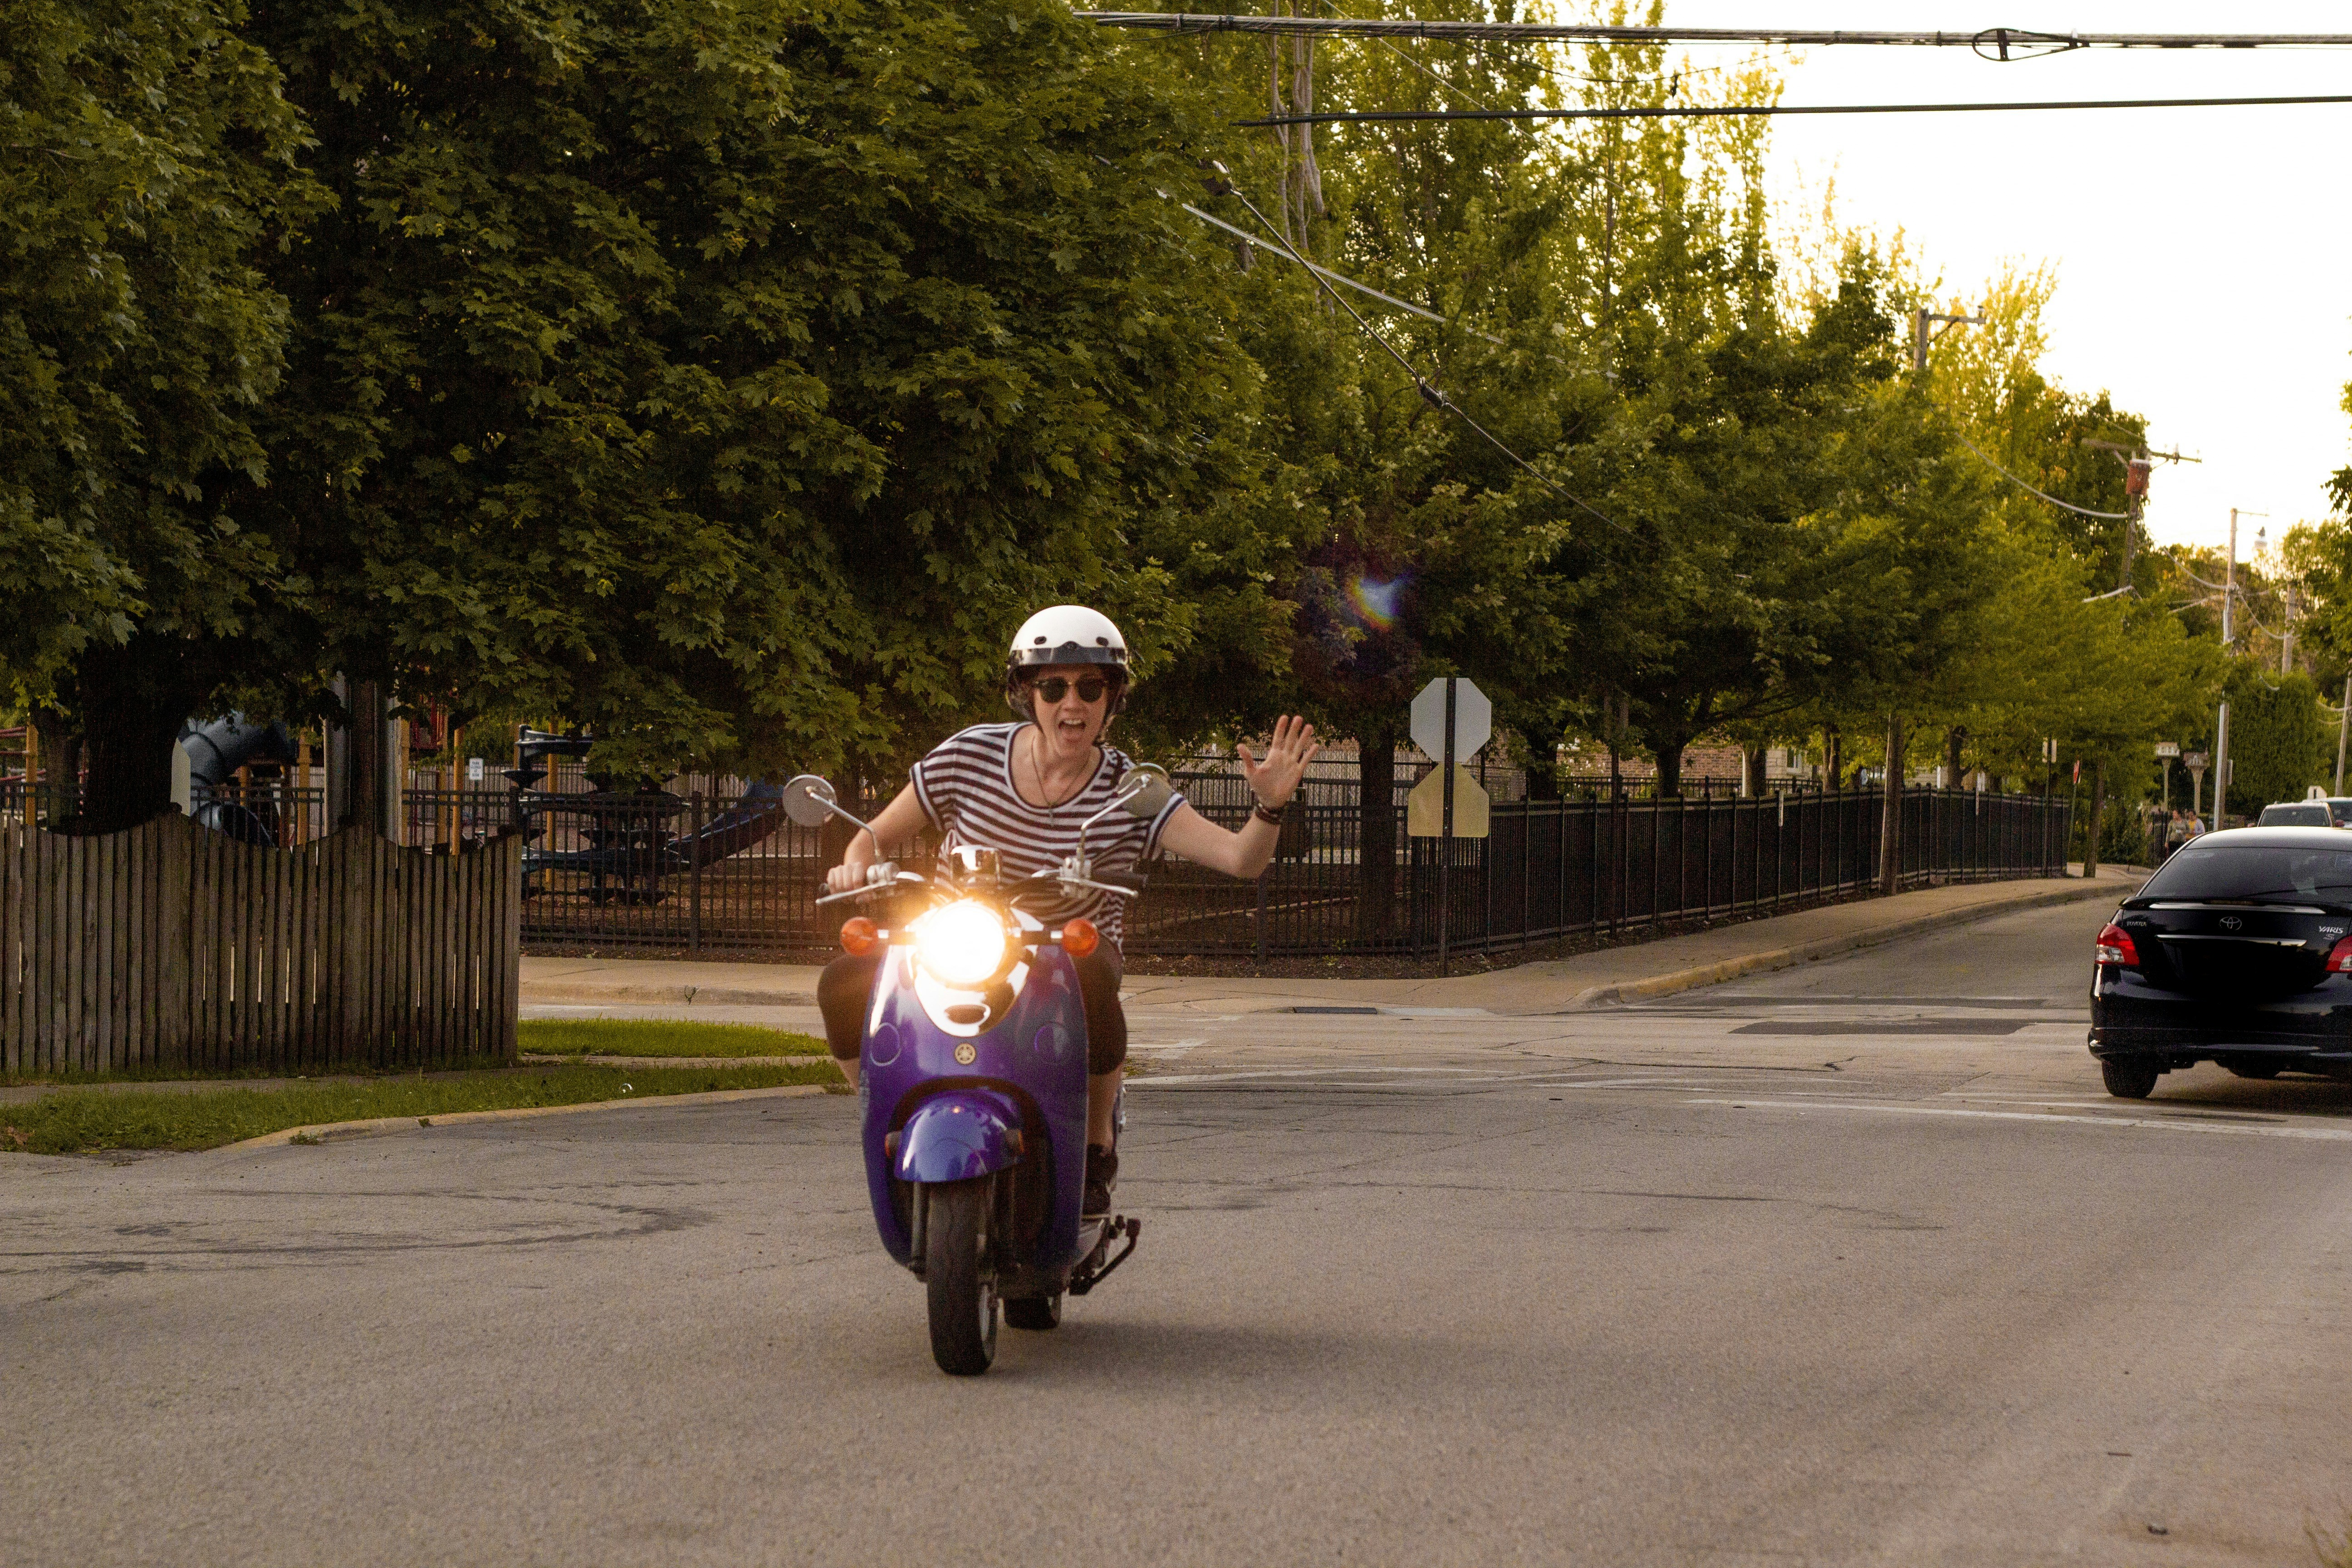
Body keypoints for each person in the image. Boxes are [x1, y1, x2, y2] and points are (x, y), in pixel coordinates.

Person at [818, 605, 1318, 1215]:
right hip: (956, 935)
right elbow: (872, 835)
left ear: (1113, 700)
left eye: (1091, 687)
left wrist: (1268, 808)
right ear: (1026, 694)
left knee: (1092, 979)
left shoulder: (1133, 790)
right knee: (843, 980)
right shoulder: (969, 754)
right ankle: (880, 1108)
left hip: (1063, 945)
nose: (1071, 704)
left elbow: (1240, 860)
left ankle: (1096, 1140)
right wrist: (855, 860)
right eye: (1053, 687)